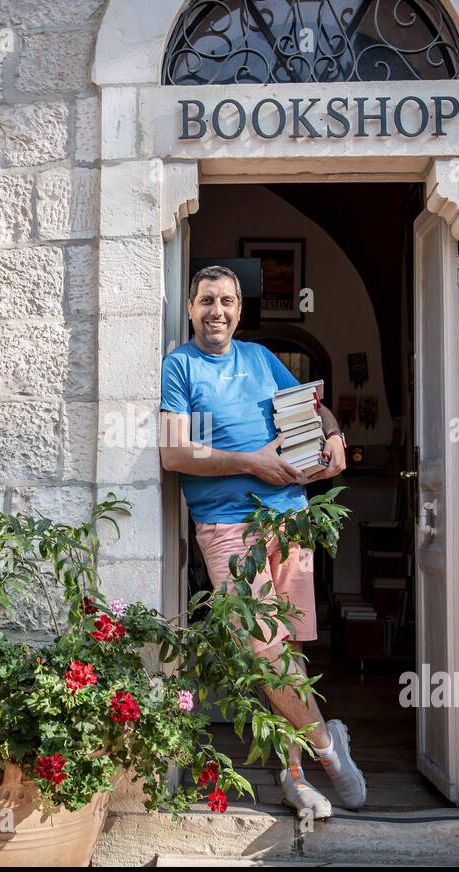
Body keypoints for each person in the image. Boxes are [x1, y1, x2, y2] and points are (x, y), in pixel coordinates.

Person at [158, 264, 367, 819]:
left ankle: (294, 776)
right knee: (262, 649)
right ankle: (328, 750)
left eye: (226, 300)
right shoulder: (181, 366)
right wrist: (252, 462)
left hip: (290, 518)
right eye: (206, 301)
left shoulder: (258, 358)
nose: (216, 311)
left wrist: (334, 434)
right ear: (190, 308)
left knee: (290, 649)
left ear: (240, 309)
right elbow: (176, 454)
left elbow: (310, 405)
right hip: (228, 525)